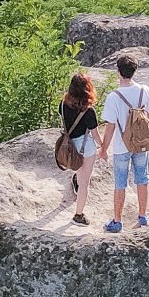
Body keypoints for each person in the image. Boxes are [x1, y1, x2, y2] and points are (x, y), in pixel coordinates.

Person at [98, 55, 149, 234]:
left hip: (122, 147)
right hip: (141, 144)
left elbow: (110, 127)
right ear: (134, 71)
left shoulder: (114, 97)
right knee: (143, 179)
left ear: (118, 72)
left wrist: (104, 148)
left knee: (120, 183)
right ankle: (143, 216)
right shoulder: (144, 90)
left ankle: (117, 221)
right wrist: (143, 137)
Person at [59, 71, 100, 225]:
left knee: (80, 173)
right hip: (85, 146)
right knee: (85, 183)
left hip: (69, 145)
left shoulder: (62, 105)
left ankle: (76, 178)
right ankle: (78, 215)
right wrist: (103, 146)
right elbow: (95, 134)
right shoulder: (88, 111)